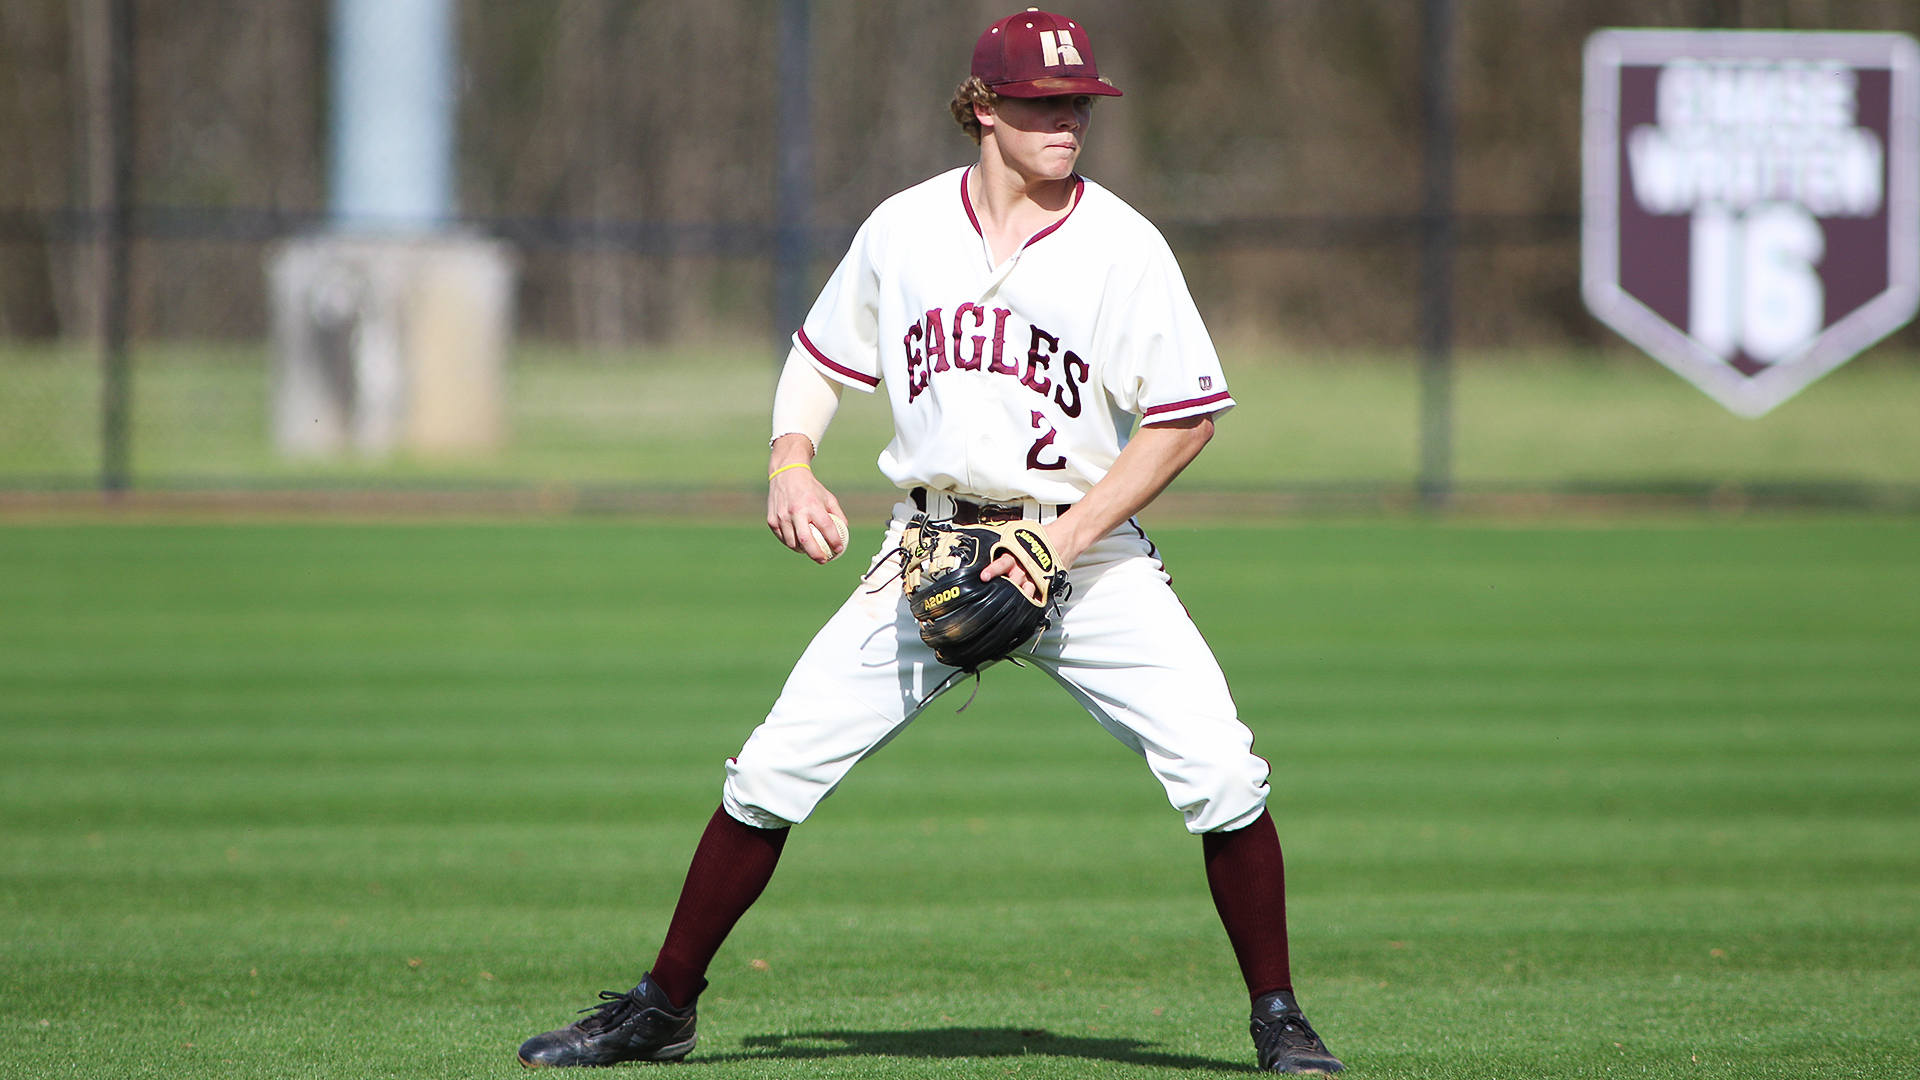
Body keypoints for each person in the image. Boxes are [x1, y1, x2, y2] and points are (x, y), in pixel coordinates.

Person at [517, 9, 1343, 1074]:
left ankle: (1278, 1018)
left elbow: (1184, 418)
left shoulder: (1123, 245)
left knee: (1224, 775)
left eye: (1080, 102)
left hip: (1085, 559)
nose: (1068, 119)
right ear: (983, 108)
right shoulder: (904, 229)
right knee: (770, 772)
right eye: (1045, 102)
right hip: (927, 552)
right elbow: (820, 359)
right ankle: (662, 1005)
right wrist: (790, 461)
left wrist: (1062, 539)